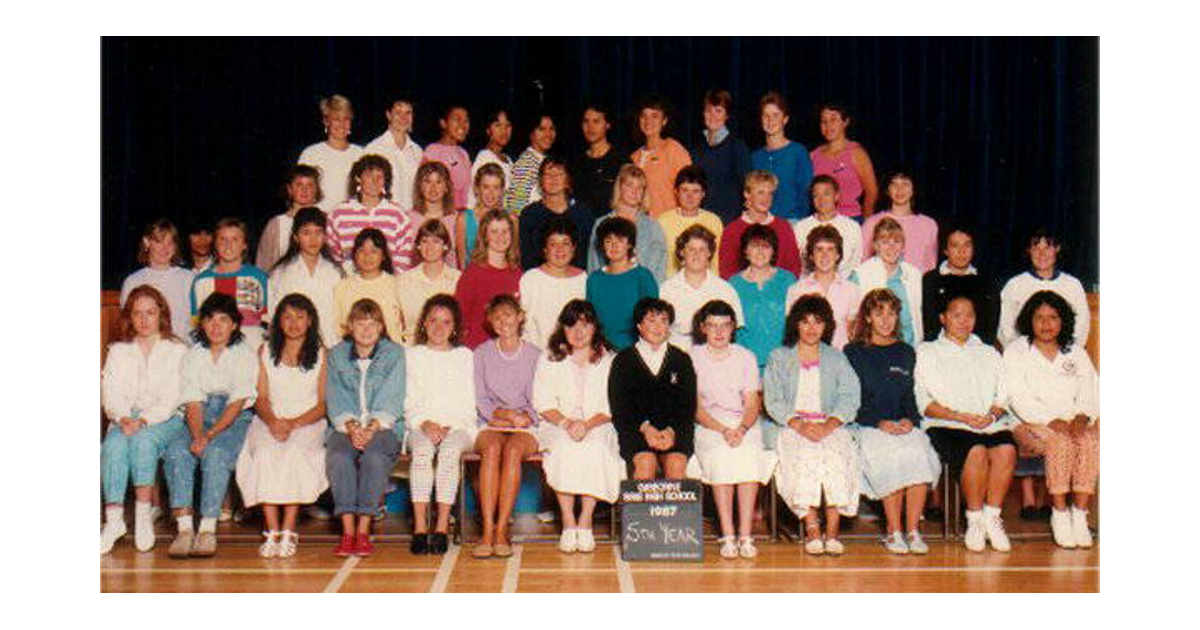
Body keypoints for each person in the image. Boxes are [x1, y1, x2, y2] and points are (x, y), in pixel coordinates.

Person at [914, 294, 1016, 552]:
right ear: (943, 318)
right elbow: (923, 400)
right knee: (976, 451)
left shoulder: (989, 352)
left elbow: (1004, 393)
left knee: (1006, 449)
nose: (964, 321)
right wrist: (960, 416)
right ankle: (974, 519)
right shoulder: (927, 351)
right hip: (946, 424)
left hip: (987, 423)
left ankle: (992, 516)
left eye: (969, 315)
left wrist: (991, 415)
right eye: (957, 315)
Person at [844, 289, 941, 555]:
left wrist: (911, 421)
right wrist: (879, 422)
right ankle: (893, 531)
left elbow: (909, 394)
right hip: (869, 426)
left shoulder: (906, 352)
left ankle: (913, 531)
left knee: (918, 452)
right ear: (868, 317)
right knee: (891, 457)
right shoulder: (853, 352)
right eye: (879, 313)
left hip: (902, 424)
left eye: (891, 313)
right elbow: (851, 401)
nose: (886, 319)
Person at [764, 295, 861, 556]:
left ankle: (833, 532)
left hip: (830, 424)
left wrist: (829, 424)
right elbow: (772, 400)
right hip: (792, 425)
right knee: (804, 456)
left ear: (827, 325)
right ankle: (813, 530)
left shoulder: (837, 358)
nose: (811, 328)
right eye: (804, 322)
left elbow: (851, 395)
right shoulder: (779, 357)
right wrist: (799, 424)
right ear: (795, 324)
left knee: (836, 457)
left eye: (817, 322)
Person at [1002, 291, 1099, 548]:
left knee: (1090, 441)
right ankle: (1059, 513)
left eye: (1053, 317)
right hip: (1032, 423)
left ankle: (1079, 514)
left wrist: (1082, 415)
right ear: (1028, 321)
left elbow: (1091, 388)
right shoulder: (1017, 351)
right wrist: (1049, 420)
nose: (1046, 324)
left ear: (1063, 320)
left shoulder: (1075, 351)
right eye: (1039, 318)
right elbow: (1016, 396)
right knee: (1061, 443)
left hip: (1073, 421)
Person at [236, 294, 329, 558]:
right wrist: (274, 421)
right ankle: (272, 530)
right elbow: (261, 398)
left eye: (300, 317)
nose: (294, 323)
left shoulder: (322, 355)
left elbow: (323, 404)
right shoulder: (265, 351)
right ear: (278, 321)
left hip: (307, 422)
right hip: (269, 420)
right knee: (265, 454)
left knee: (292, 455)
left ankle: (289, 529)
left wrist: (293, 423)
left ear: (310, 321)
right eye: (287, 317)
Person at [165, 292, 257, 558]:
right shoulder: (193, 354)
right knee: (178, 451)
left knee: (216, 453)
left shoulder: (244, 354)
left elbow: (238, 401)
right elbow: (193, 400)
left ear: (235, 324)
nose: (216, 326)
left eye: (223, 320)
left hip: (233, 417)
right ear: (202, 324)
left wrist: (211, 434)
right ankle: (184, 528)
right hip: (198, 415)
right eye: (210, 320)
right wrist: (197, 435)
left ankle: (207, 528)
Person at [685, 300, 777, 559]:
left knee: (747, 455)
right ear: (703, 328)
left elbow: (752, 402)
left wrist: (742, 428)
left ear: (733, 327)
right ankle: (727, 535)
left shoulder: (745, 357)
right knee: (722, 457)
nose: (719, 331)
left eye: (725, 325)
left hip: (743, 423)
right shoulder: (692, 356)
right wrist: (724, 430)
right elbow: (695, 408)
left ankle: (745, 536)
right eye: (712, 325)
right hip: (709, 424)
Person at [101, 286, 189, 554]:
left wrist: (144, 421)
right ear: (129, 317)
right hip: (126, 418)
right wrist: (123, 417)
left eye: (150, 313)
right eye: (137, 313)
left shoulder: (176, 349)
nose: (144, 319)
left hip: (165, 418)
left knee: (143, 443)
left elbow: (173, 397)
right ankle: (114, 520)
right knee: (113, 446)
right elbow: (110, 392)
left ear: (161, 314)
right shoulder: (118, 350)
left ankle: (142, 515)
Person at [532, 300, 625, 554]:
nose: (578, 331)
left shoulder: (609, 358)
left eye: (585, 324)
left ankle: (585, 522)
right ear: (563, 328)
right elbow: (542, 401)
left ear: (595, 327)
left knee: (595, 450)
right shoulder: (550, 357)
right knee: (565, 450)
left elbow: (612, 403)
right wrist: (566, 422)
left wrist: (587, 424)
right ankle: (568, 523)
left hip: (598, 424)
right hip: (558, 424)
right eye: (571, 325)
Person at [325, 298, 406, 557]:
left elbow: (393, 397)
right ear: (350, 326)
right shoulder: (336, 354)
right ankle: (347, 533)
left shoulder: (394, 353)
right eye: (361, 323)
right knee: (338, 457)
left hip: (383, 427)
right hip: (344, 428)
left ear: (381, 327)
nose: (367, 329)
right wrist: (351, 427)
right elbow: (335, 395)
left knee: (374, 456)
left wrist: (371, 428)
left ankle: (363, 530)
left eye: (373, 323)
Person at [472, 295, 543, 558]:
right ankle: (487, 531)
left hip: (527, 424)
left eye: (509, 315)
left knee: (512, 451)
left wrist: (521, 417)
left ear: (520, 316)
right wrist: (504, 415)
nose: (504, 321)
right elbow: (481, 400)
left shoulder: (536, 355)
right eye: (497, 316)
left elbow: (539, 401)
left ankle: (502, 530)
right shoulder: (481, 353)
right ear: (490, 321)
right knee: (491, 449)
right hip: (492, 422)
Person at [405, 294, 476, 556]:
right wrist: (424, 423)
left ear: (455, 327)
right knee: (422, 452)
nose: (439, 327)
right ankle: (421, 528)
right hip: (421, 425)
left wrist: (448, 427)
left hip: (458, 426)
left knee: (448, 452)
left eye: (446, 322)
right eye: (433, 320)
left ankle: (442, 526)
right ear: (424, 323)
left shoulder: (465, 356)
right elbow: (408, 399)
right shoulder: (412, 355)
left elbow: (469, 403)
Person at [609, 298, 698, 480]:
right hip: (636, 431)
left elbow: (688, 405)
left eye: (664, 321)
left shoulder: (681, 359)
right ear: (639, 326)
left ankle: (672, 509)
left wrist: (671, 431)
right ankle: (640, 510)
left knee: (676, 463)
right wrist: (646, 428)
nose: (658, 327)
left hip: (674, 432)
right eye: (651, 320)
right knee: (645, 462)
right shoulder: (623, 360)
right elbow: (620, 406)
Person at [997, 228, 1090, 349]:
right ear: (1029, 251)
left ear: (1057, 249)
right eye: (1036, 248)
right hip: (1025, 355)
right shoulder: (1015, 285)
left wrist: (1065, 351)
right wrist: (1022, 352)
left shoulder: (1072, 285)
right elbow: (1005, 326)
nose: (1042, 254)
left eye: (1047, 248)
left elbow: (1082, 325)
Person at [325, 153, 416, 273]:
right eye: (369, 176)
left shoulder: (397, 214)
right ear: (358, 178)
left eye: (380, 177)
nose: (375, 181)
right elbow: (332, 256)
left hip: (387, 284)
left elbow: (404, 258)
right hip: (350, 284)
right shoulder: (339, 214)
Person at [267, 207, 344, 347]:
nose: (313, 239)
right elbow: (274, 314)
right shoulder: (281, 273)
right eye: (306, 233)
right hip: (292, 346)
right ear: (296, 237)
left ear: (325, 236)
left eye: (318, 232)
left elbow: (342, 315)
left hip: (330, 345)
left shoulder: (335, 273)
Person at [659, 225, 744, 352]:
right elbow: (659, 331)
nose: (696, 254)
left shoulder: (725, 289)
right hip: (676, 358)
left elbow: (736, 331)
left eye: (702, 249)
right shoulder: (666, 289)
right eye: (691, 249)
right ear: (682, 252)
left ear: (709, 253)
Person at [190, 217, 269, 349]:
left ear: (244, 244)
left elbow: (269, 321)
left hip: (252, 349)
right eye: (223, 239)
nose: (228, 245)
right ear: (215, 243)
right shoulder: (201, 281)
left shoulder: (259, 278)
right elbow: (196, 323)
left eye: (235, 239)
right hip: (215, 352)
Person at [729, 225, 796, 369]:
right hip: (744, 363)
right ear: (745, 251)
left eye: (766, 246)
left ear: (773, 251)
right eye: (754, 246)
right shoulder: (733, 284)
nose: (760, 251)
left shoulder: (788, 280)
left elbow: (796, 324)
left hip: (784, 361)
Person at [585, 216, 659, 350]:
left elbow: (652, 320)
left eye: (620, 240)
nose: (614, 246)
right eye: (608, 241)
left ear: (630, 244)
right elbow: (590, 321)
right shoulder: (594, 279)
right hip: (601, 350)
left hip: (636, 350)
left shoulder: (642, 276)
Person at [586, 163, 668, 282]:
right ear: (619, 187)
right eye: (629, 185)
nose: (634, 191)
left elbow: (659, 269)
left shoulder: (653, 227)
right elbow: (593, 266)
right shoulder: (601, 224)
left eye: (640, 187)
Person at [921, 221, 998, 345]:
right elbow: (929, 325)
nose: (961, 252)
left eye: (967, 245)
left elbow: (991, 326)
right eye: (955, 246)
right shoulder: (931, 280)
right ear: (945, 250)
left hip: (978, 350)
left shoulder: (986, 281)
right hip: (941, 350)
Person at [785, 225, 861, 349]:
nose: (824, 255)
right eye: (819, 249)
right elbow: (793, 333)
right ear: (811, 255)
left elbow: (854, 334)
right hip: (807, 360)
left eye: (830, 249)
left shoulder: (852, 290)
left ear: (838, 255)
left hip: (841, 359)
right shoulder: (796, 290)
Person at [456, 210, 523, 348]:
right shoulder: (472, 274)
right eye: (494, 232)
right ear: (485, 236)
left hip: (509, 351)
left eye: (505, 231)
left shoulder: (517, 274)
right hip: (477, 350)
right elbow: (460, 320)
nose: (500, 237)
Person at [850, 218, 923, 344]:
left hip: (912, 347)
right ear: (875, 245)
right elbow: (851, 318)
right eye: (884, 242)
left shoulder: (914, 274)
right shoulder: (860, 275)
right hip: (874, 349)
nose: (891, 247)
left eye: (896, 241)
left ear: (903, 245)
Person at [718, 170, 803, 279]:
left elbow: (793, 267)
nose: (766, 198)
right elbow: (727, 272)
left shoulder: (784, 227)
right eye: (760, 192)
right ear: (747, 194)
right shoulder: (732, 230)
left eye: (770, 193)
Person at [120, 218, 196, 339]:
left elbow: (198, 322)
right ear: (146, 242)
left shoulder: (189, 278)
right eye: (159, 241)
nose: (164, 248)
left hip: (183, 350)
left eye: (170, 242)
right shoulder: (132, 281)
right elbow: (128, 325)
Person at [520, 216, 588, 348]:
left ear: (574, 248)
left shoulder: (583, 279)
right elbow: (523, 325)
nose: (559, 249)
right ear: (544, 249)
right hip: (538, 356)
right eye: (553, 244)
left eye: (565, 243)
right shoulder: (531, 279)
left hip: (575, 357)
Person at [518, 155, 594, 270]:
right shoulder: (529, 215)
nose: (553, 178)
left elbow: (590, 256)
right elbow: (527, 259)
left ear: (567, 180)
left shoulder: (583, 214)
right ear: (540, 181)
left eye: (559, 174)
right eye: (548, 174)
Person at [332, 228, 404, 344]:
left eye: (374, 251)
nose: (367, 256)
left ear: (384, 255)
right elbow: (337, 330)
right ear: (354, 255)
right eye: (362, 250)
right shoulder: (342, 287)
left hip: (390, 354)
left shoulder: (397, 285)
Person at [749, 92, 812, 222]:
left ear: (785, 119)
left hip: (792, 222)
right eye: (766, 115)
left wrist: (801, 224)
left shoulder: (798, 152)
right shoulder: (755, 157)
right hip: (761, 223)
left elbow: (806, 194)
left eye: (775, 115)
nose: (770, 120)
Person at [397, 219, 462, 346]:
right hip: (411, 350)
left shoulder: (458, 280)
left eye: (436, 241)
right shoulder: (402, 281)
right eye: (425, 241)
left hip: (447, 351)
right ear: (418, 245)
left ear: (446, 246)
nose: (430, 247)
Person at [298, 94, 365, 214]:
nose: (342, 124)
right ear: (326, 121)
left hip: (353, 220)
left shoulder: (361, 154)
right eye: (336, 119)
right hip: (319, 222)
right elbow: (300, 196)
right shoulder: (310, 154)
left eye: (346, 118)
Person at [691, 89, 751, 223]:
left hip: (729, 222)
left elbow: (747, 189)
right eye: (708, 110)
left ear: (727, 116)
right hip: (702, 222)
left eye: (718, 110)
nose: (712, 115)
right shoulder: (696, 152)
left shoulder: (737, 148)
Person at [810, 103, 878, 220]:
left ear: (845, 122)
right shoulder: (813, 156)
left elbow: (872, 192)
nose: (828, 125)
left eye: (833, 120)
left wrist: (867, 222)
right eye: (824, 121)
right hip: (822, 221)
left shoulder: (856, 153)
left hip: (850, 218)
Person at [861, 170, 938, 272]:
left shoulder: (929, 224)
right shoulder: (872, 223)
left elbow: (931, 265)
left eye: (905, 184)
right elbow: (864, 262)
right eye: (894, 184)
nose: (899, 189)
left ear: (914, 188)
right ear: (887, 190)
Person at [630, 95, 692, 217]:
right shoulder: (633, 157)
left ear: (664, 120)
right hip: (638, 228)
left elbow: (689, 191)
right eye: (644, 116)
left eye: (654, 116)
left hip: (667, 228)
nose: (648, 121)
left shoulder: (674, 150)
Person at [657, 165, 725, 276]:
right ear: (676, 192)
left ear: (703, 194)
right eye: (685, 190)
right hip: (672, 286)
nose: (690, 196)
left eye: (696, 191)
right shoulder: (663, 221)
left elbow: (717, 262)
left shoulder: (714, 221)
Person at [792, 175, 862, 277]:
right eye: (816, 195)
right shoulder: (801, 227)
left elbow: (856, 263)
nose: (821, 200)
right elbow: (798, 263)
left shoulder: (852, 227)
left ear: (836, 196)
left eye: (826, 194)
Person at [257, 165, 323, 272]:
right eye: (299, 185)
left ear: (316, 190)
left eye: (310, 185)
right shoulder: (276, 223)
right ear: (289, 190)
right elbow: (263, 263)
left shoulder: (326, 220)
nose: (304, 190)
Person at [568, 104, 627, 219]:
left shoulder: (621, 160)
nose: (590, 127)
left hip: (610, 230)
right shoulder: (575, 161)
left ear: (608, 125)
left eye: (596, 121)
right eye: (586, 121)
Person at [365, 96, 423, 211]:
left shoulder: (417, 151)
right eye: (398, 112)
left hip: (412, 217)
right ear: (388, 115)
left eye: (408, 113)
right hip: (384, 215)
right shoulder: (374, 149)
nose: (404, 118)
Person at [406, 161, 461, 270]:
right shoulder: (408, 219)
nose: (433, 188)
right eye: (427, 182)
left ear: (446, 187)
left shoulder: (457, 219)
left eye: (438, 182)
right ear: (420, 186)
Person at [505, 113, 557, 215]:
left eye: (552, 129)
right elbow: (515, 209)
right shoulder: (527, 162)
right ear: (531, 134)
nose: (548, 134)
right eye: (541, 129)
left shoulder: (544, 160)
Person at [423, 103, 472, 210]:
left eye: (466, 120)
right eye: (457, 119)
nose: (463, 125)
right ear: (443, 123)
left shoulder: (464, 153)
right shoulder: (432, 151)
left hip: (463, 218)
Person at [457, 163, 506, 266]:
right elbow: (461, 262)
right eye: (486, 187)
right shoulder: (464, 219)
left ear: (502, 191)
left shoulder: (510, 219)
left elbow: (513, 257)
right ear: (477, 189)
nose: (491, 193)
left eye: (496, 187)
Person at [467, 108, 514, 210]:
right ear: (488, 130)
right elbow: (473, 199)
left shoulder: (508, 160)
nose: (504, 130)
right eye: (498, 125)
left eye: (508, 125)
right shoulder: (485, 158)